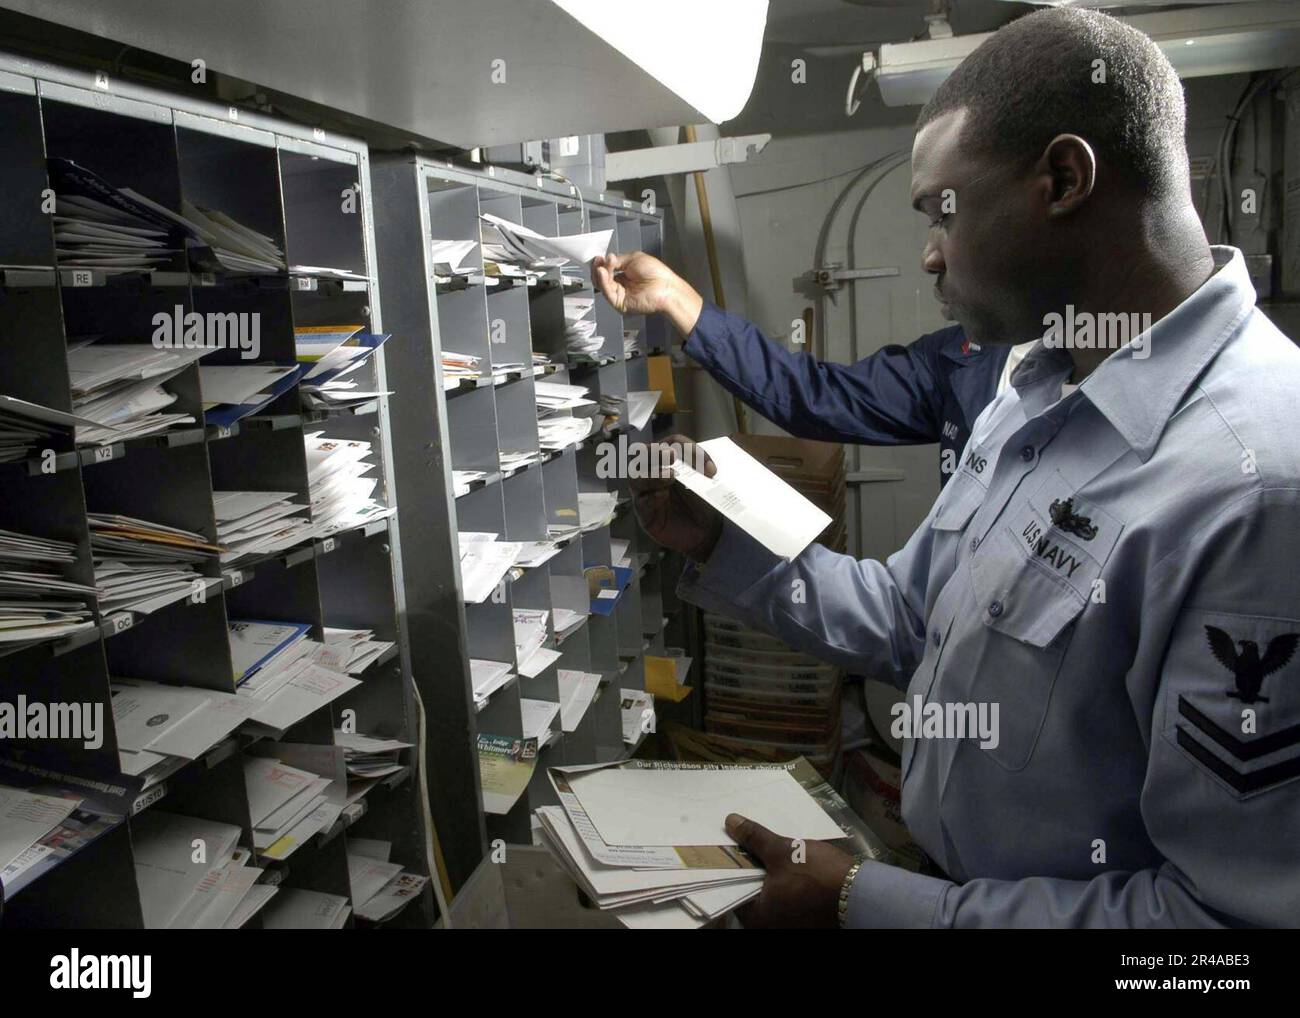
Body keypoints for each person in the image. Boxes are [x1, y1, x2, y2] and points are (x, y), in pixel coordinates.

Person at [593, 6, 1300, 928]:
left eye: (941, 210)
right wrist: (726, 543)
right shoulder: (1034, 385)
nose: (928, 251)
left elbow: (1218, 940)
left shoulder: (1256, 488)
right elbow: (907, 617)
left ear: (1062, 178)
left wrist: (869, 903)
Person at [682, 310, 1019, 485]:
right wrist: (678, 302)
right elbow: (819, 396)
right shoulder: (960, 354)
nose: (930, 257)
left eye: (944, 220)